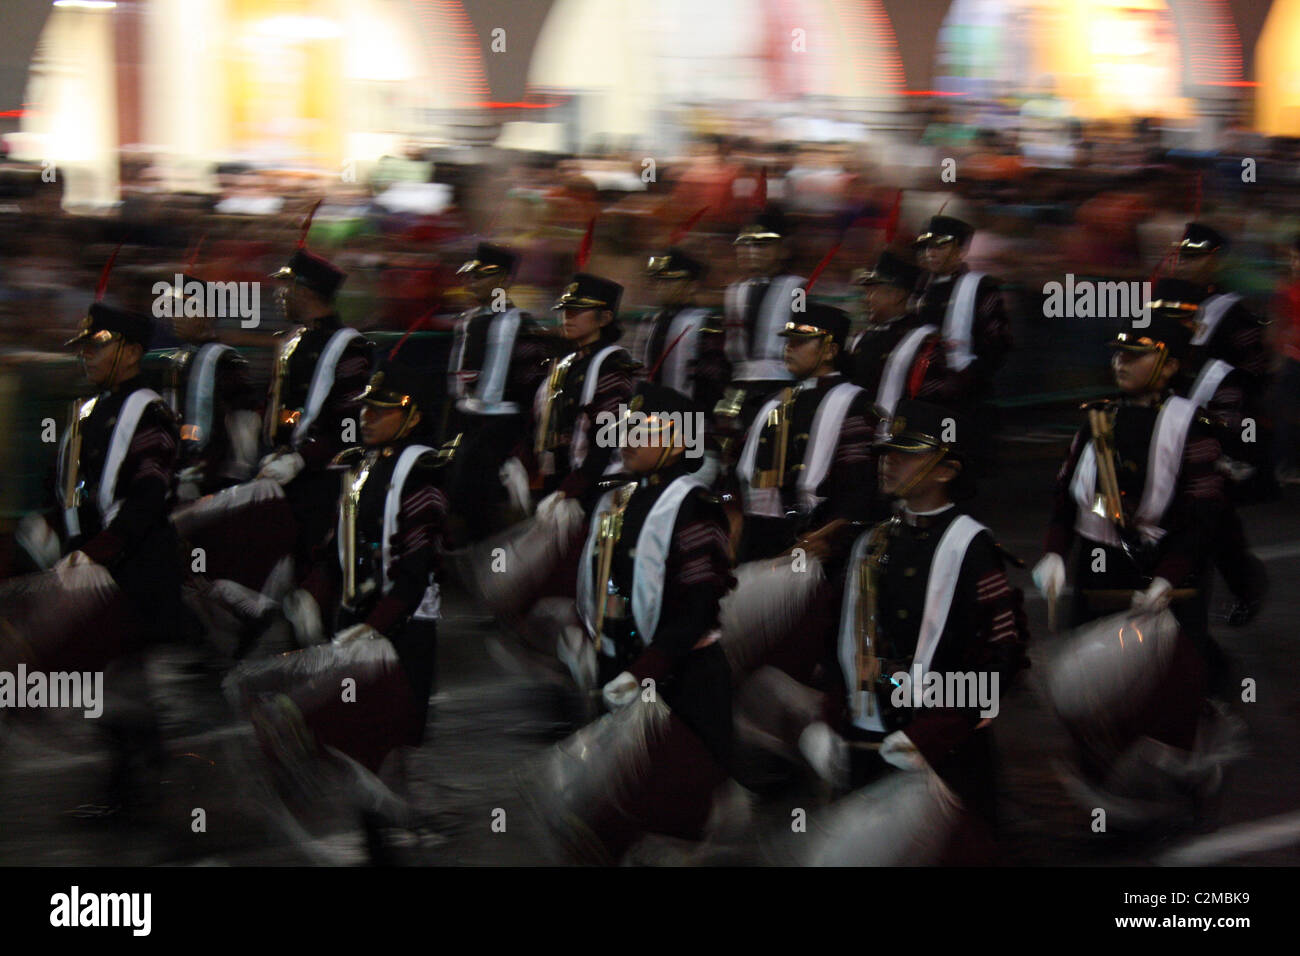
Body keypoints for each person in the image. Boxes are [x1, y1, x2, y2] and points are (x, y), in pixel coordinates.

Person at [798, 399, 1029, 860]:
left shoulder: (972, 547)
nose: (888, 463)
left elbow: (1002, 658)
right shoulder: (870, 541)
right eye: (886, 453)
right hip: (865, 747)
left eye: (905, 454)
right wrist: (828, 716)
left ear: (946, 471)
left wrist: (932, 733)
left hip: (941, 755)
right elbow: (838, 642)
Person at [535, 383, 735, 862]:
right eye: (625, 427)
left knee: (670, 818)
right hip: (624, 674)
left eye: (642, 430)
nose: (626, 438)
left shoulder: (695, 507)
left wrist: (643, 670)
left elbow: (697, 607)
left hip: (681, 683)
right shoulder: (618, 500)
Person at [253, 359, 447, 780]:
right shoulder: (361, 464)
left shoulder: (422, 472)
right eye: (366, 407)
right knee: (354, 737)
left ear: (413, 417)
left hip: (402, 627)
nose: (367, 416)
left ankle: (395, 830)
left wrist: (378, 624)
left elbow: (418, 564)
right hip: (356, 618)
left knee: (390, 740)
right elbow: (337, 546)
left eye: (382, 409)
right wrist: (313, 592)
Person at [1032, 311, 1227, 676]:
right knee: (1091, 683)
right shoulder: (1098, 419)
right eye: (1119, 353)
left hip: (1163, 568)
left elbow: (1204, 516)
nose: (1121, 361)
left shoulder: (1192, 426)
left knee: (1167, 683)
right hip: (1099, 571)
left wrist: (1168, 577)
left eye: (1136, 354)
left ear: (1169, 367)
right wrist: (1055, 552)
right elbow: (1065, 496)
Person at [58, 302, 183, 815]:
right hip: (96, 564)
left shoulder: (150, 411)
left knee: (116, 677)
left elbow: (149, 490)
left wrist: (103, 549)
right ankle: (142, 772)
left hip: (132, 566)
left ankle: (130, 786)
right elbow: (67, 485)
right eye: (85, 346)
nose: (87, 354)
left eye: (97, 344)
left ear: (130, 352)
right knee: (115, 677)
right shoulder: (90, 408)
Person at [259, 248, 372, 571]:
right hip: (288, 472)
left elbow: (349, 426)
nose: (279, 296)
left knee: (317, 566)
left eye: (286, 287)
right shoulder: (295, 341)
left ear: (306, 292)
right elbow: (288, 410)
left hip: (326, 480)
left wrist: (302, 458)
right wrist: (280, 447)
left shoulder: (348, 345)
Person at [735, 303, 873, 562]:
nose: (789, 348)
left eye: (800, 342)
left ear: (830, 350)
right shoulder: (774, 401)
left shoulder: (854, 402)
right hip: (761, 533)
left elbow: (858, 483)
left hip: (817, 538)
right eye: (789, 341)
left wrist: (827, 535)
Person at [444, 242, 561, 541]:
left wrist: (523, 440)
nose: (473, 282)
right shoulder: (466, 321)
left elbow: (533, 386)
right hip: (464, 421)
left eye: (482, 276)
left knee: (483, 501)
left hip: (502, 427)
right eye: (471, 276)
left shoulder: (519, 323)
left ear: (503, 280)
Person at [531, 272, 639, 518]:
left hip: (599, 482)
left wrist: (581, 480)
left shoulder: (613, 363)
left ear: (605, 318)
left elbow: (608, 431)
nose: (568, 317)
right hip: (563, 474)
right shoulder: (568, 362)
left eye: (578, 310)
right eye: (566, 309)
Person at [150, 273, 259, 501]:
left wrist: (236, 474)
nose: (174, 317)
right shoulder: (178, 361)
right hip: (180, 471)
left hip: (216, 478)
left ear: (206, 314)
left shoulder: (226, 361)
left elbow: (244, 419)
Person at [912, 214, 1013, 460]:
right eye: (928, 246)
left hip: (964, 396)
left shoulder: (980, 288)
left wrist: (968, 378)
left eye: (941, 246)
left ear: (960, 249)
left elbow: (998, 342)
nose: (931, 253)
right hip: (922, 392)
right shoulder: (920, 289)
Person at [716, 207, 806, 438]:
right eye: (744, 244)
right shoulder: (733, 291)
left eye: (761, 245)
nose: (750, 251)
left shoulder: (798, 289)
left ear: (784, 249)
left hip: (782, 385)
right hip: (738, 387)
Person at [640, 246, 730, 413]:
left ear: (692, 286)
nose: (661, 286)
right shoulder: (652, 321)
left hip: (688, 415)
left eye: (670, 281)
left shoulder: (704, 322)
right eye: (658, 280)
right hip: (651, 415)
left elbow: (715, 376)